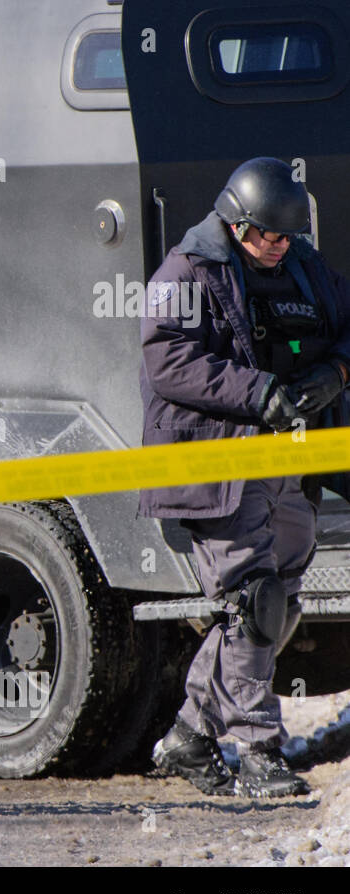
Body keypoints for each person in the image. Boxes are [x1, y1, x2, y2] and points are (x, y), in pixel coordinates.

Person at [141, 156, 350, 798]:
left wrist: (334, 374)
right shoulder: (188, 270)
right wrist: (258, 392)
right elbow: (166, 360)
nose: (279, 247)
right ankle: (259, 750)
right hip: (218, 459)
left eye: (288, 237)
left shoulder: (303, 265)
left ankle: (188, 733)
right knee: (251, 600)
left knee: (276, 601)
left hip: (284, 460)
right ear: (236, 225)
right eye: (268, 236)